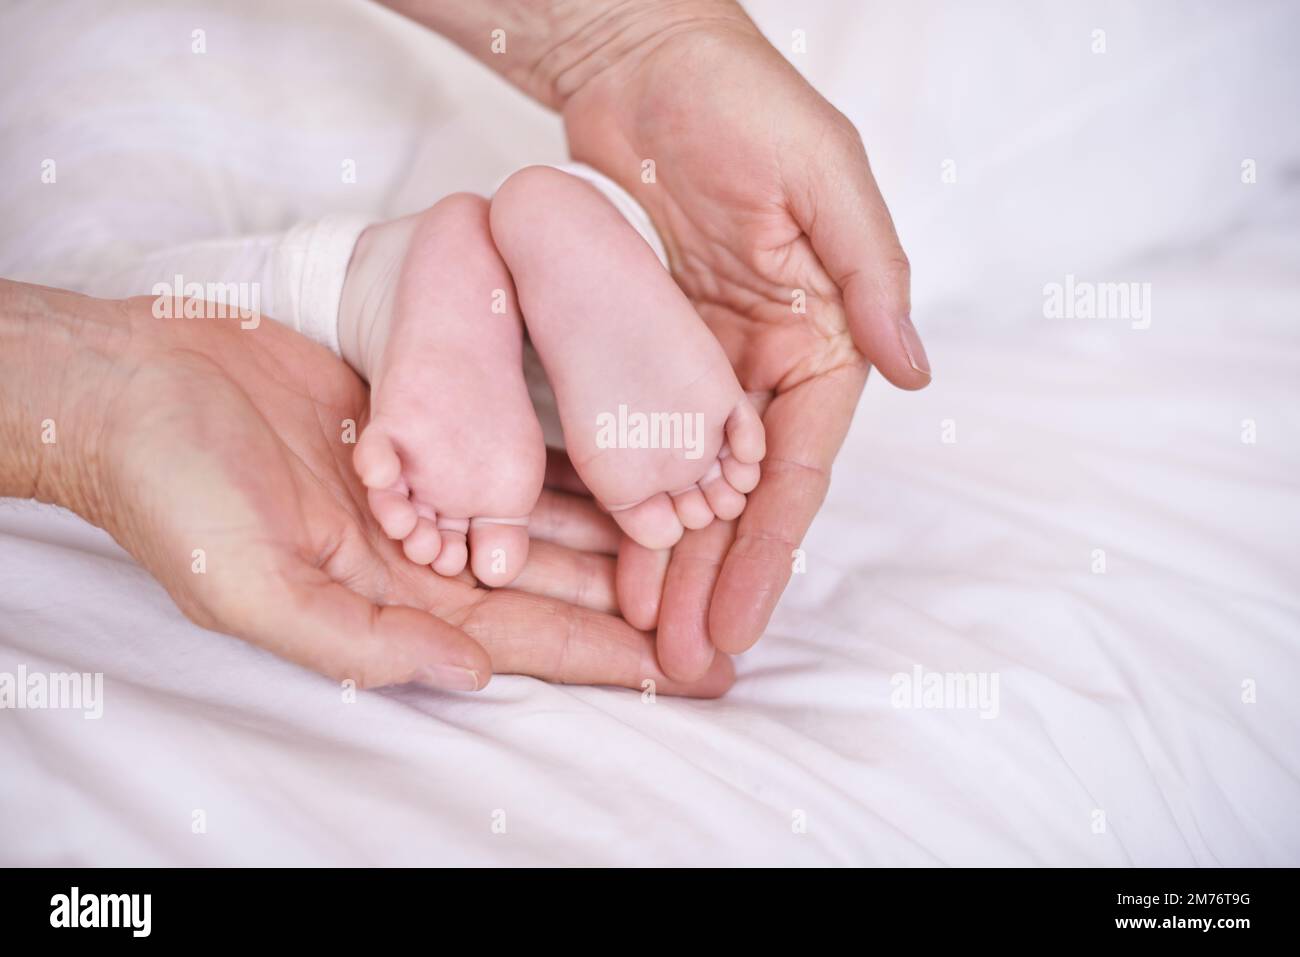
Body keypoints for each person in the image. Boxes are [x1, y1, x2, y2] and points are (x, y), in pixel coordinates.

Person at [1, 0, 928, 693]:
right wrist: (624, 32)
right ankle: (593, 228)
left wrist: (88, 404)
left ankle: (382, 277)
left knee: (106, 290)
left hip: (109, 54)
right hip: (416, 78)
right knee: (506, 252)